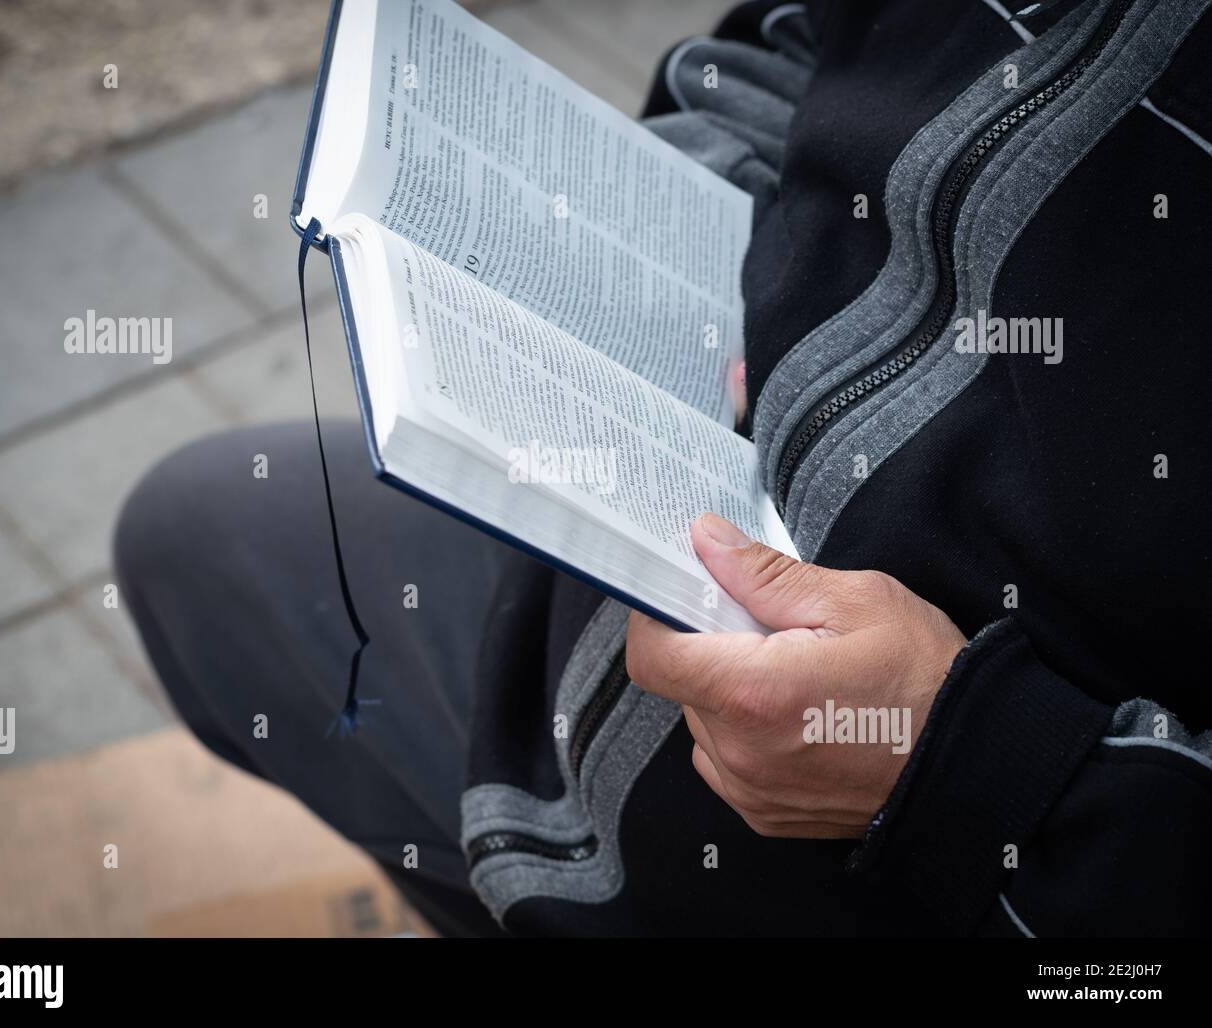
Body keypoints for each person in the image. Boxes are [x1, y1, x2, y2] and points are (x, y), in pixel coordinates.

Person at [115, 0, 1212, 936]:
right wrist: (671, 214)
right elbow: (786, 41)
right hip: (566, 625)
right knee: (197, 538)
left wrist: (976, 779)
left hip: (902, 882)